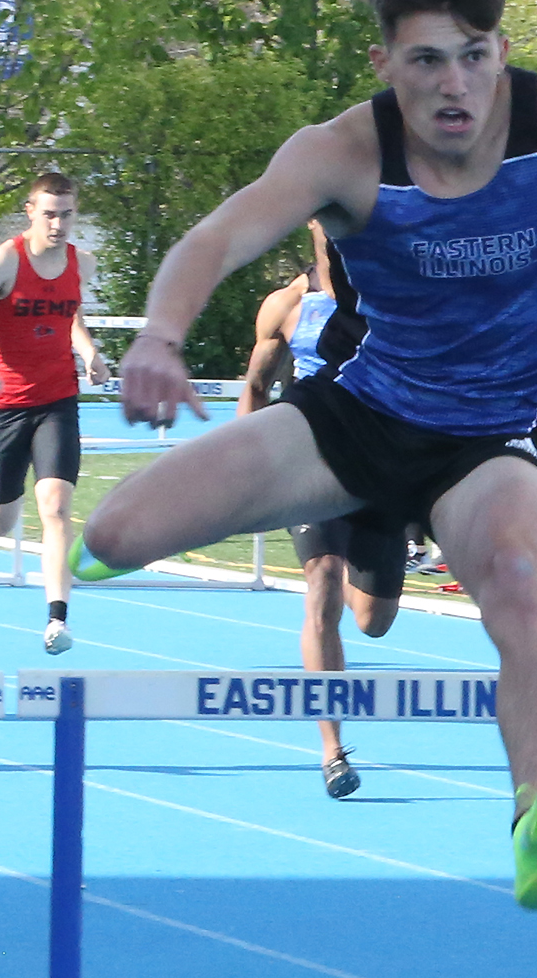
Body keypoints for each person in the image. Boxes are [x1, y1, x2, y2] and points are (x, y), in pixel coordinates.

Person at [68, 0, 537, 911]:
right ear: (386, 65)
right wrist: (160, 338)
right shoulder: (343, 153)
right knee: (116, 533)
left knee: (518, 583)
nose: (454, 86)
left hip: (493, 441)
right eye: (426, 60)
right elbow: (219, 234)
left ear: (502, 53)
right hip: (364, 414)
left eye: (475, 56)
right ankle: (113, 544)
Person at [238, 222, 405, 799]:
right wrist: (248, 460)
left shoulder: (391, 293)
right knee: (322, 588)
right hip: (310, 460)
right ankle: (333, 749)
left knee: (373, 619)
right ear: (314, 224)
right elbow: (257, 385)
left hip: (378, 465)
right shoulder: (287, 305)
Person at [0, 172, 111, 656]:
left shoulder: (83, 263)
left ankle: (57, 619)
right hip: (6, 405)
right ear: (31, 211)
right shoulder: (5, 261)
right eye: (50, 214)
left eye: (67, 214)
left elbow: (69, 311)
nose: (58, 224)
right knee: (1, 522)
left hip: (57, 399)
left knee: (55, 508)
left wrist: (88, 351)